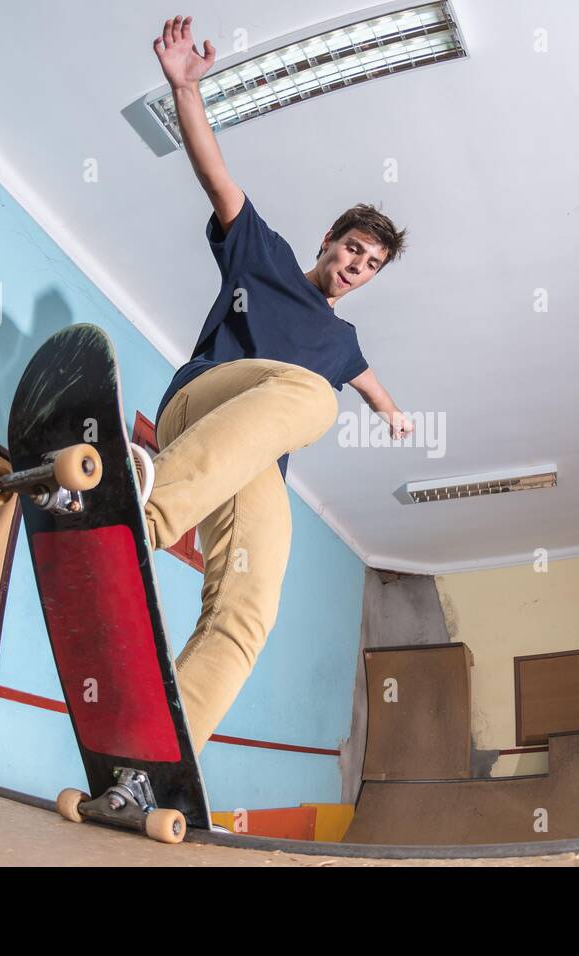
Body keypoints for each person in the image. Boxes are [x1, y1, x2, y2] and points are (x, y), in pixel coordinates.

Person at [145, 16, 413, 754]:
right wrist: (185, 91)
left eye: (370, 265)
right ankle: (146, 518)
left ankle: (164, 752)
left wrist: (395, 415)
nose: (355, 266)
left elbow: (367, 380)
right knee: (310, 397)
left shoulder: (343, 340)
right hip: (201, 406)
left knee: (253, 600)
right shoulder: (263, 257)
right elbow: (216, 177)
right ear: (329, 240)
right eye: (351, 249)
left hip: (249, 462)